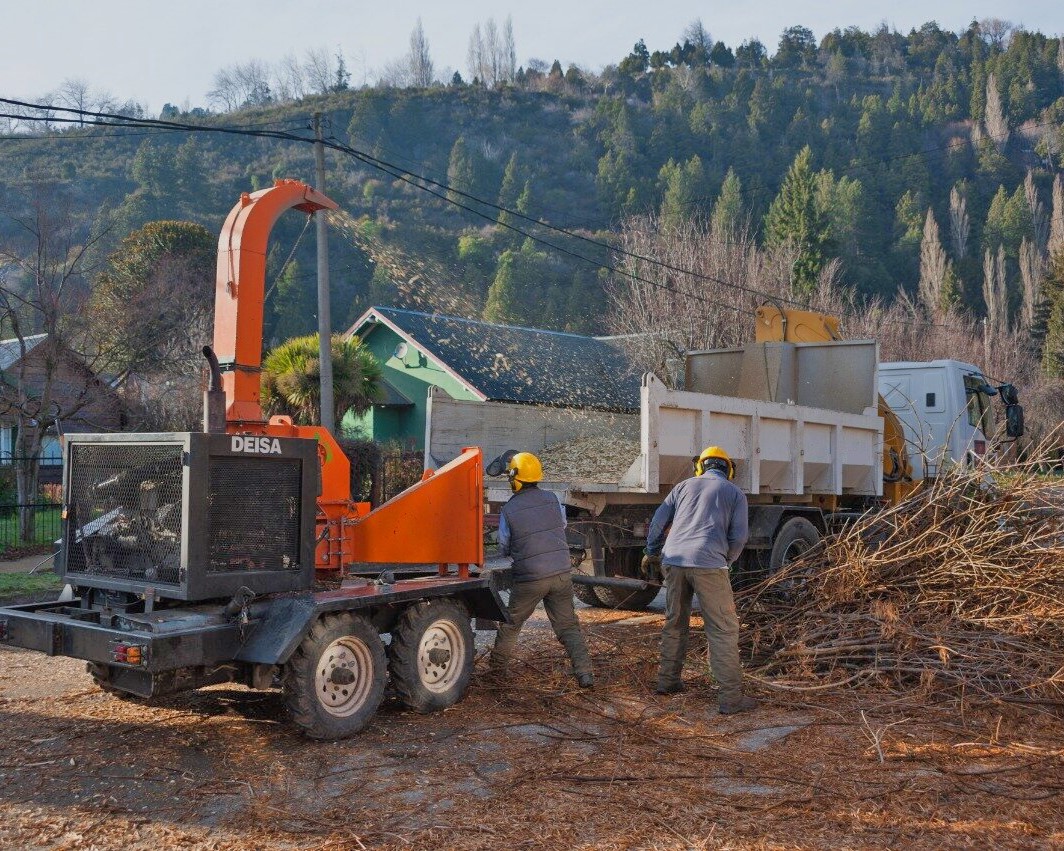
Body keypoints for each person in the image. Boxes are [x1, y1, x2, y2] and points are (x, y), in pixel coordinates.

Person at [643, 445, 757, 714]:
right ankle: (730, 698)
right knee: (722, 629)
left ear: (700, 466)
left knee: (675, 622)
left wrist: (651, 551)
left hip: (673, 561)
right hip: (710, 564)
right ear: (728, 469)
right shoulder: (735, 493)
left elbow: (658, 523)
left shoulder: (682, 487)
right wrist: (725, 560)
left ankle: (667, 681)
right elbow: (739, 537)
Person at [489, 451, 594, 689]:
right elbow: (561, 525)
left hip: (530, 577)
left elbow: (505, 545)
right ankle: (585, 673)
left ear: (515, 478)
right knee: (568, 625)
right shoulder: (553, 498)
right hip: (560, 573)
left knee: (511, 624)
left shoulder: (509, 509)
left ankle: (496, 673)